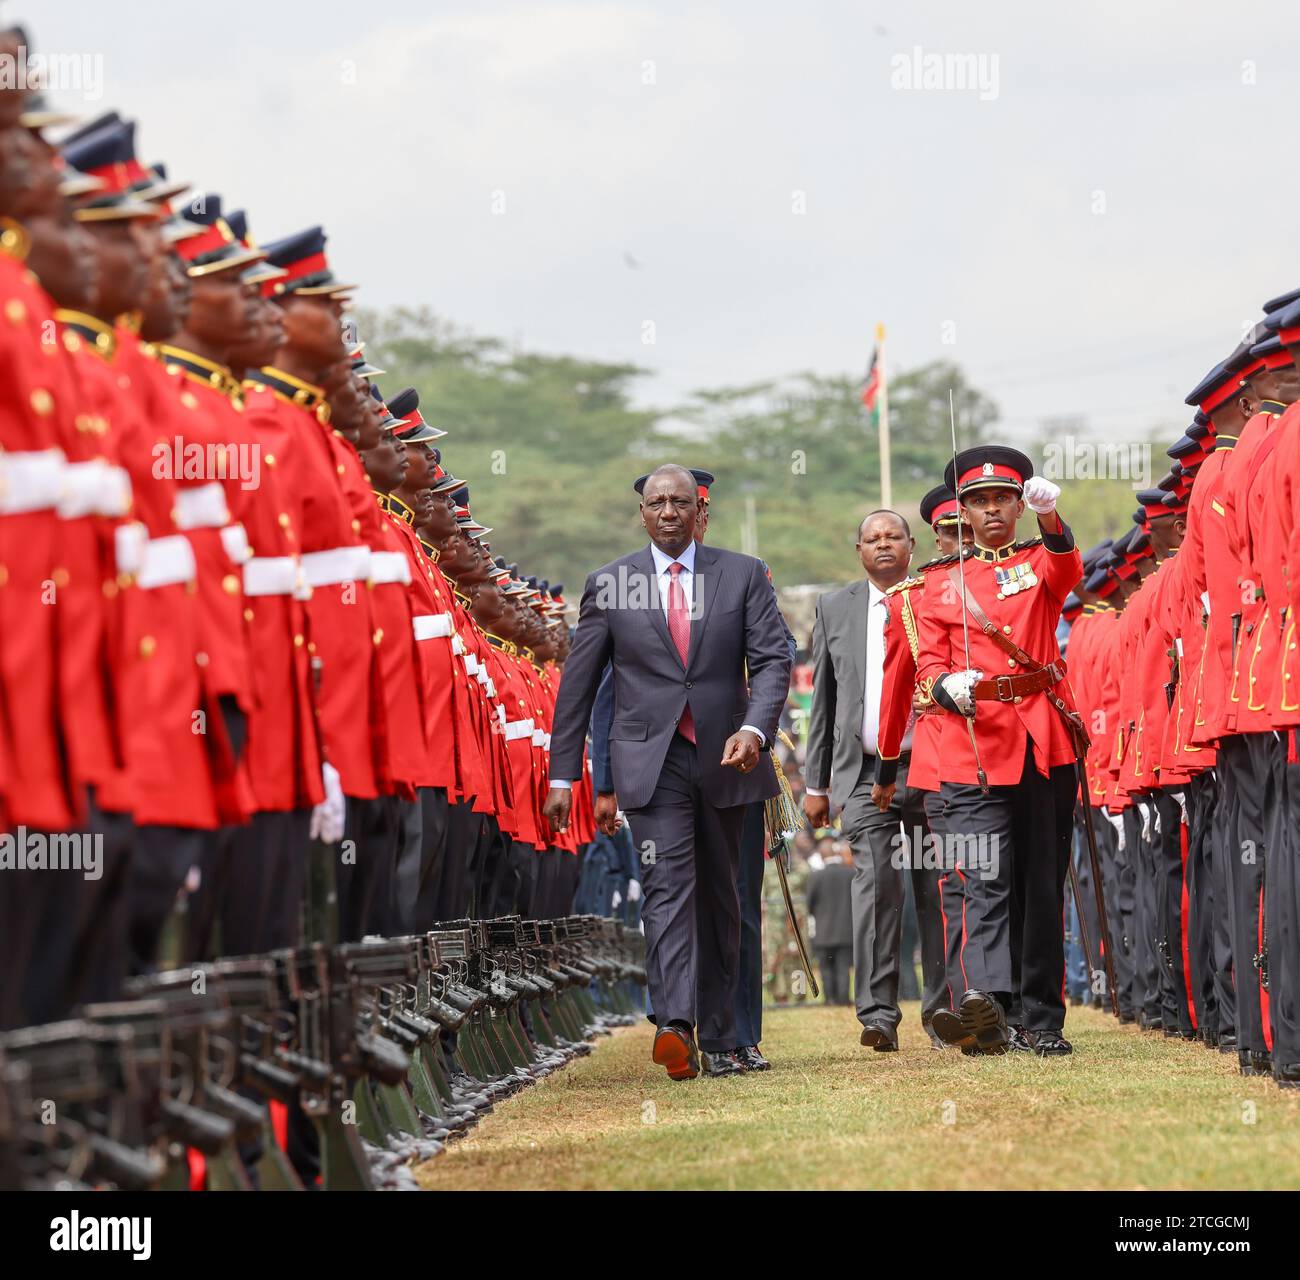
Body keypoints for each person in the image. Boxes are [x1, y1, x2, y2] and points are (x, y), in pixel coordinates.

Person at [543, 463, 792, 1081]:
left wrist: (756, 729)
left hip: (729, 757)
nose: (670, 512)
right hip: (651, 765)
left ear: (698, 509)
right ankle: (676, 1024)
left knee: (724, 899)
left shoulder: (741, 574)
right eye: (658, 503)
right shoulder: (610, 583)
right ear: (643, 512)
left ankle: (726, 1035)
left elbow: (771, 662)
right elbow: (579, 687)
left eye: (681, 502)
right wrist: (562, 775)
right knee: (666, 889)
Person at [916, 447, 1082, 1056]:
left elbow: (1068, 574)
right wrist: (941, 683)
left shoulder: (1040, 561)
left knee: (1041, 882)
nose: (991, 511)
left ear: (1017, 505)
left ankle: (1043, 1019)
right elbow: (929, 656)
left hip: (1038, 737)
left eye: (1002, 501)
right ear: (962, 511)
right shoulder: (939, 582)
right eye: (979, 502)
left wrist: (1053, 520)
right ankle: (991, 1006)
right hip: (972, 741)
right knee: (983, 877)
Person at [804, 509, 948, 1052]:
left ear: (913, 545)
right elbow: (824, 702)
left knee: (935, 887)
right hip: (863, 773)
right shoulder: (834, 607)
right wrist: (816, 786)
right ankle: (879, 1015)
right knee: (877, 886)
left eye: (893, 536)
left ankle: (942, 1012)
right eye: (871, 538)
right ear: (858, 550)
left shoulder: (935, 595)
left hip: (931, 762)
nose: (883, 544)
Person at [805, 840, 854, 1005]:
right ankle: (843, 999)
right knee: (843, 968)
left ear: (821, 855)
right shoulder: (849, 874)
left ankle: (830, 1000)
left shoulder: (816, 876)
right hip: (846, 930)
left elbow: (809, 904)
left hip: (823, 931)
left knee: (826, 968)